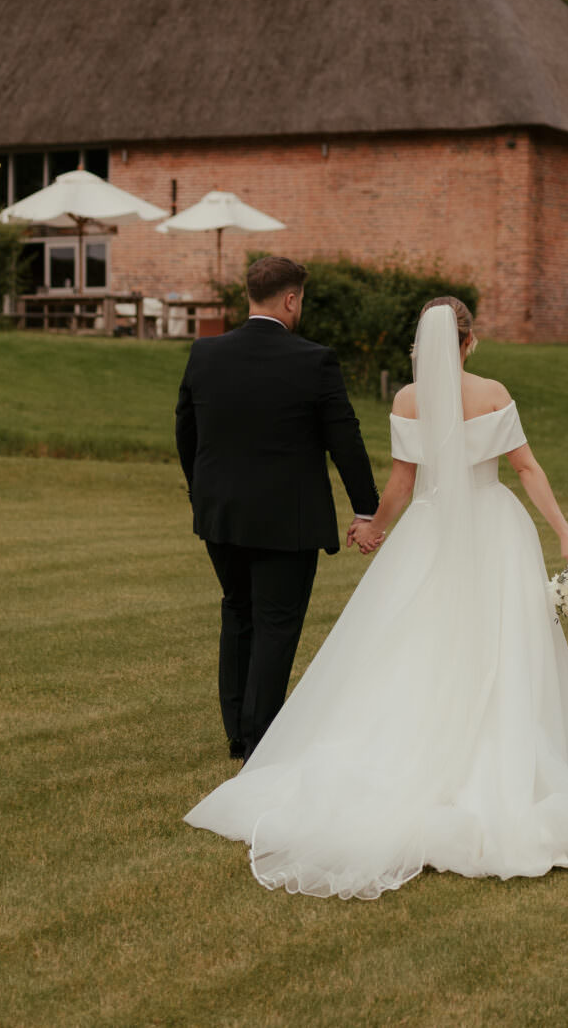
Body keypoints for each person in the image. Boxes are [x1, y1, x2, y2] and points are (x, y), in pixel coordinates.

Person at [185, 296, 568, 898]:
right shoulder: (492, 393)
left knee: (415, 640)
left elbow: (403, 483)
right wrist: (565, 532)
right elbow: (527, 469)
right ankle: (497, 756)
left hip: (428, 532)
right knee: (501, 643)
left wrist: (375, 526)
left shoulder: (409, 400)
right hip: (495, 529)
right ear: (470, 341)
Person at [176, 255, 382, 762]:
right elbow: (346, 441)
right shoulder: (314, 360)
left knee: (238, 611)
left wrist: (201, 492)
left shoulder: (205, 353)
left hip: (220, 514)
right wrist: (366, 509)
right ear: (291, 299)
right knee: (276, 623)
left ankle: (237, 733)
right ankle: (259, 740)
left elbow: (186, 432)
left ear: (251, 294)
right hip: (286, 522)